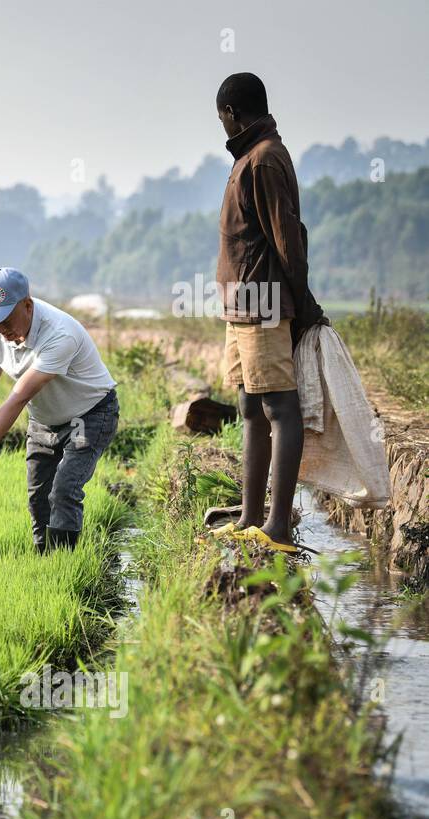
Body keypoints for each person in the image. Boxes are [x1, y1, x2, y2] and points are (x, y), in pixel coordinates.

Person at [212, 72, 326, 552]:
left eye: (221, 118)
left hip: (264, 305)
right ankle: (251, 515)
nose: (221, 125)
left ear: (233, 113)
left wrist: (301, 306)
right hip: (241, 309)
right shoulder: (249, 157)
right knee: (250, 407)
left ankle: (278, 526)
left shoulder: (264, 160)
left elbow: (288, 241)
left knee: (280, 407)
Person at [0, 268, 118, 553]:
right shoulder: (0, 331)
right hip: (43, 420)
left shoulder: (59, 333)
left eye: (5, 320)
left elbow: (18, 397)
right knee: (38, 496)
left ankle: (63, 564)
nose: (0, 329)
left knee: (64, 491)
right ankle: (44, 560)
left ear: (28, 305)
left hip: (87, 416)